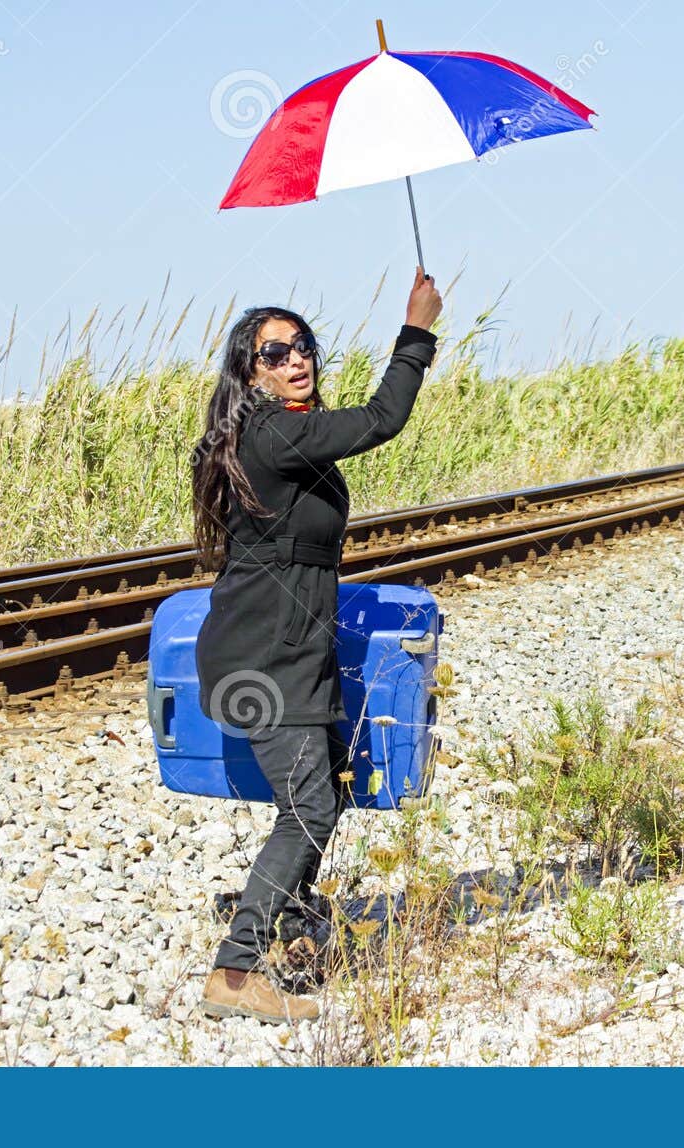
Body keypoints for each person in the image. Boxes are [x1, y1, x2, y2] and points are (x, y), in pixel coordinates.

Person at [190, 266, 443, 1024]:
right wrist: (418, 330)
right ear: (248, 371)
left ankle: (293, 927)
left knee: (316, 795)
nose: (296, 359)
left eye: (303, 346)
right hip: (259, 659)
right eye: (274, 352)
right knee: (308, 805)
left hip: (291, 649)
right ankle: (234, 972)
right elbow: (379, 420)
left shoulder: (280, 437)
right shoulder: (269, 431)